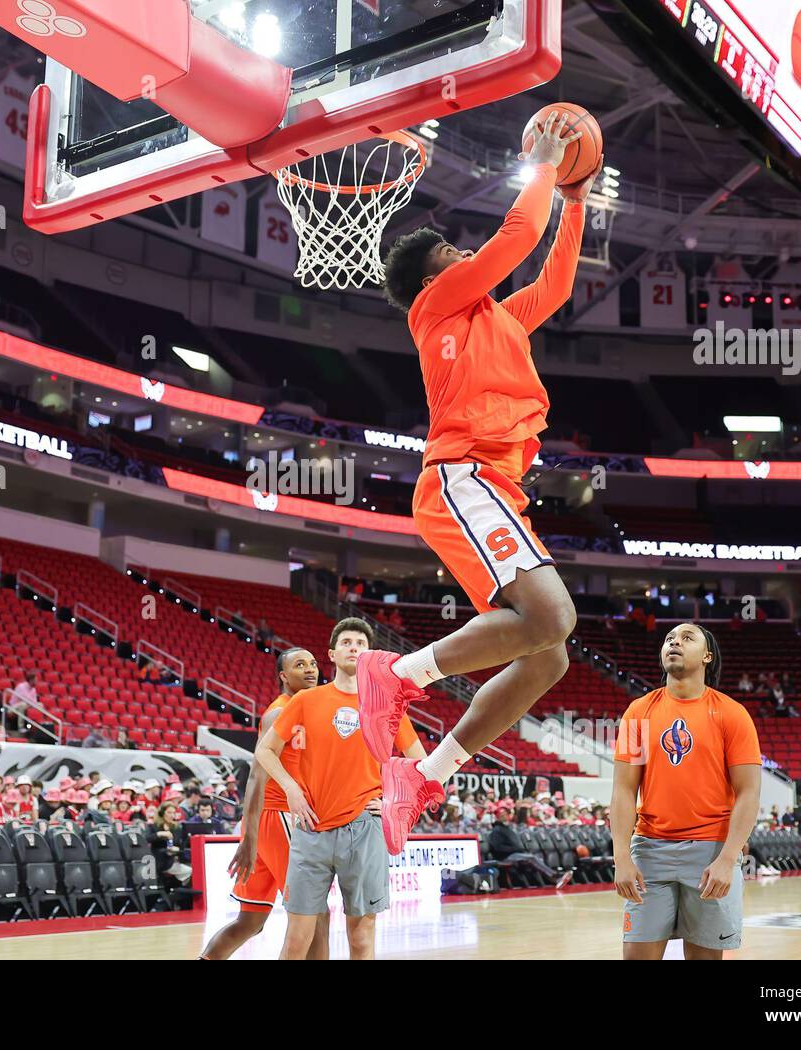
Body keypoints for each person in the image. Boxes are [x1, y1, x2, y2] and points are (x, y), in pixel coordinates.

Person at [359, 115, 602, 850]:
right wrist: (543, 164)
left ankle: (425, 773)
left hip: (495, 485)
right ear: (435, 276)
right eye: (451, 252)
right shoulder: (436, 305)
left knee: (550, 652)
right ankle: (398, 673)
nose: (465, 254)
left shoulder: (500, 318)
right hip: (461, 478)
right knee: (553, 618)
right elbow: (515, 241)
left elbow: (553, 278)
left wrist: (577, 197)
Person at [255, 617, 425, 960]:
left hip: (365, 827)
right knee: (296, 938)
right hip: (310, 826)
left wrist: (395, 803)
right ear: (332, 654)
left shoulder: (388, 706)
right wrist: (290, 787)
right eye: (346, 642)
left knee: (361, 935)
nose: (354, 648)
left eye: (361, 644)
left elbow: (420, 762)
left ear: (368, 655)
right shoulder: (306, 701)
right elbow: (264, 750)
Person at [611, 624, 761, 960]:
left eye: (687, 638)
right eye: (669, 639)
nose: (674, 642)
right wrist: (621, 856)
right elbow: (623, 790)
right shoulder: (638, 713)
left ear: (707, 656)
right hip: (649, 850)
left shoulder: (732, 714)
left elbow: (749, 793)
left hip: (711, 852)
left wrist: (728, 858)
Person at [202, 647, 326, 961]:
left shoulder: (307, 710)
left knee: (251, 921)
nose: (310, 669)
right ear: (284, 676)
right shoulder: (279, 711)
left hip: (276, 822)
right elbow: (257, 775)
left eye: (312, 663)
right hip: (279, 817)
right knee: (316, 914)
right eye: (300, 665)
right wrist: (249, 838)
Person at [6, 670, 38, 735]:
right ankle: (20, 727)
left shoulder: (33, 689)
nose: (36, 682)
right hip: (13, 707)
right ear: (31, 680)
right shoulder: (21, 686)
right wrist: (33, 703)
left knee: (40, 705)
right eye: (35, 680)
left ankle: (36, 727)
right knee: (23, 705)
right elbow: (26, 699)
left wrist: (35, 704)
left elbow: (34, 701)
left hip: (27, 705)